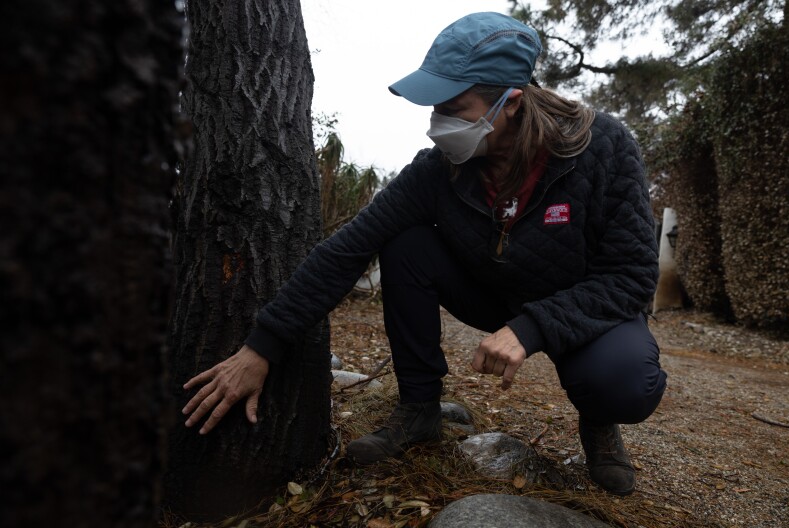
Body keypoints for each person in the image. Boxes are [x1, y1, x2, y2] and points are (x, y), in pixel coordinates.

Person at [181, 12, 667, 496]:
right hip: (496, 293)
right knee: (405, 243)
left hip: (583, 304)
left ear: (512, 102)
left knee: (623, 382)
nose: (440, 125)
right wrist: (262, 346)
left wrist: (532, 328)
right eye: (436, 109)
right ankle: (418, 409)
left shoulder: (602, 148)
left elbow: (630, 277)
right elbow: (348, 248)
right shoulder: (438, 171)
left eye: (455, 108)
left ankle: (600, 422)